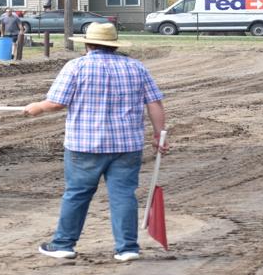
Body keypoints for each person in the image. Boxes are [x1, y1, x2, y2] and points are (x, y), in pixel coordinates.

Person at [23, 23, 170, 262]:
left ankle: (63, 244)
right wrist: (158, 134)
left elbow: (57, 102)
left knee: (77, 194)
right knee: (123, 195)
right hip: (127, 145)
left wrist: (37, 107)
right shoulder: (135, 67)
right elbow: (154, 103)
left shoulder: (76, 67)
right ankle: (127, 248)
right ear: (114, 45)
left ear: (88, 44)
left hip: (84, 145)